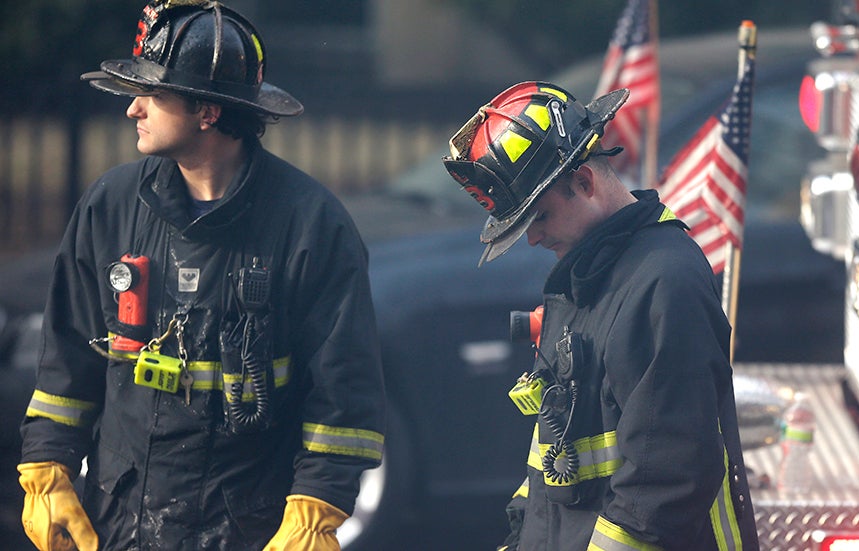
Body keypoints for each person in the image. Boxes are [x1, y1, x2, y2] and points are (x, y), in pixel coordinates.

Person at [17, 1, 385, 550]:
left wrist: (316, 511)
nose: (132, 109)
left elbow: (343, 394)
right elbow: (67, 358)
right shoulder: (111, 205)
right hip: (118, 527)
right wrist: (48, 467)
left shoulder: (310, 226)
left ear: (208, 112)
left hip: (247, 531)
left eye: (153, 94)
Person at [442, 81, 759, 550]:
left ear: (585, 182)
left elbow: (663, 483)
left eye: (540, 218)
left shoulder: (665, 282)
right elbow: (552, 457)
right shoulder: (582, 283)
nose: (532, 239)